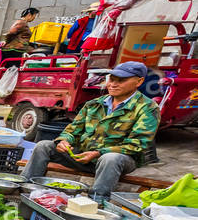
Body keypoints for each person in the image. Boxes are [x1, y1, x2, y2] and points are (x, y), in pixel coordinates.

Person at [22, 62, 157, 200]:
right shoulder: (94, 104)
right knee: (43, 146)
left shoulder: (147, 107)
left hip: (117, 161)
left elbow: (137, 144)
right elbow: (73, 130)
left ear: (139, 81)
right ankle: (25, 188)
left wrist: (98, 153)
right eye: (112, 79)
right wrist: (64, 140)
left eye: (121, 80)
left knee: (109, 158)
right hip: (84, 156)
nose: (113, 84)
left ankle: (96, 202)